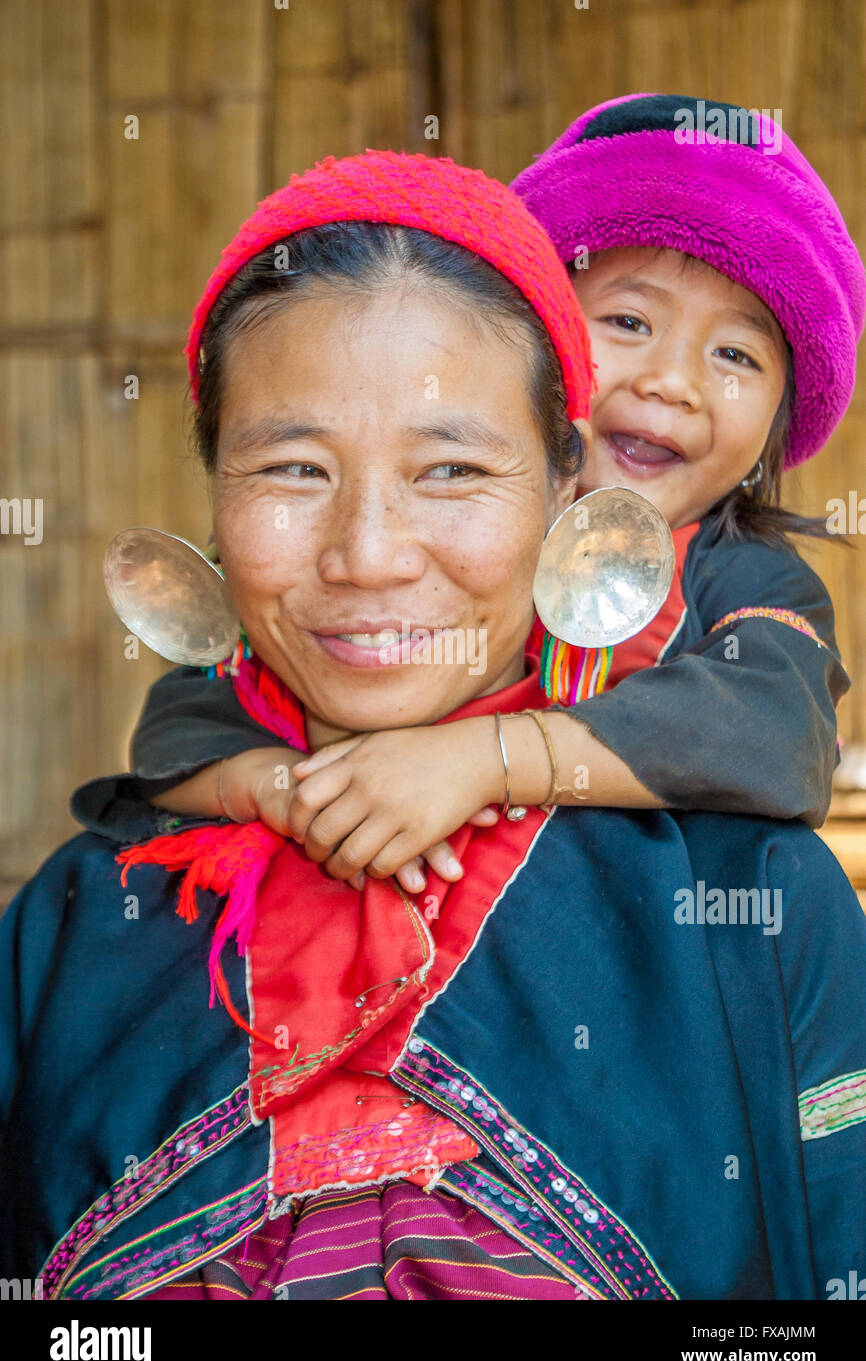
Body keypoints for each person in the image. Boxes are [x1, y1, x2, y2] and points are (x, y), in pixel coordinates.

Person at [2, 150, 865, 1302]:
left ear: (571, 492)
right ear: (213, 494)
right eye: (294, 468)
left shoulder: (757, 908)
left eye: (451, 468)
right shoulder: (70, 923)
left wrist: (491, 759)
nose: (366, 554)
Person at [74, 94, 862, 902]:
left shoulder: (744, 578)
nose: (674, 381)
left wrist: (486, 760)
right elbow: (182, 722)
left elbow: (778, 735)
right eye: (628, 320)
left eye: (736, 353)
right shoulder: (285, 589)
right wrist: (292, 790)